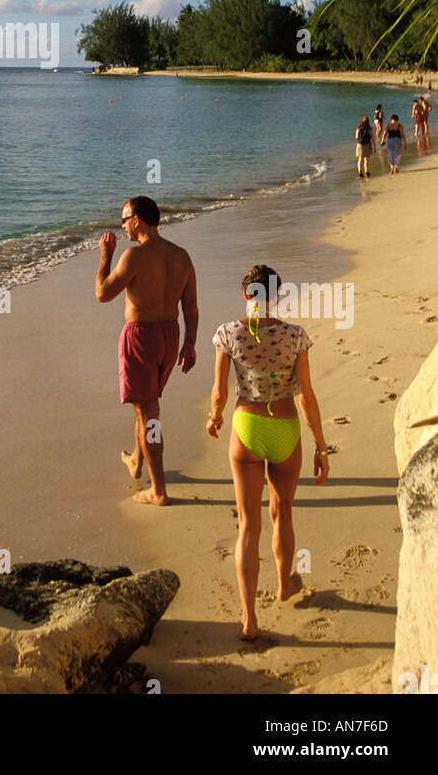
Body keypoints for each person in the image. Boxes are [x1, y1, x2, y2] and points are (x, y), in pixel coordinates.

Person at [208, 264, 329, 641]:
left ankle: (249, 619)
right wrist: (321, 447)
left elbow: (219, 392)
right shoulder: (296, 336)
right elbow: (306, 394)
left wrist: (214, 418)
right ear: (277, 295)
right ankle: (283, 584)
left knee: (248, 525)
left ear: (246, 295)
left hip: (247, 426)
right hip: (285, 427)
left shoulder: (228, 333)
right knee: (283, 512)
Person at [96, 196, 198, 507]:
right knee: (145, 405)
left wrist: (106, 256)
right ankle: (137, 461)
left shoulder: (133, 255)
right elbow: (190, 308)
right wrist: (190, 343)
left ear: (137, 220)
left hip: (141, 338)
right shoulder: (181, 256)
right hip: (170, 336)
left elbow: (102, 294)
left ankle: (158, 490)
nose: (123, 225)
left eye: (124, 219)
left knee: (149, 414)